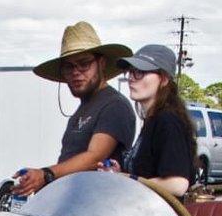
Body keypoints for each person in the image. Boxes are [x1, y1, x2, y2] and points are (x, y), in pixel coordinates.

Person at [12, 21, 135, 197]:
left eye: (84, 64)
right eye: (69, 67)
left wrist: (46, 175)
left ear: (101, 63)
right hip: (73, 201)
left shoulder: (114, 105)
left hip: (96, 204)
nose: (76, 72)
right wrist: (37, 180)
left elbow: (95, 157)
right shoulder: (83, 109)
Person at [109, 44, 197, 198]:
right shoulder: (152, 120)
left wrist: (128, 181)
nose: (131, 78)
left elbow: (177, 184)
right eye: (130, 72)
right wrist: (120, 174)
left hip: (160, 212)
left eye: (140, 72)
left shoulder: (167, 120)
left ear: (163, 80)